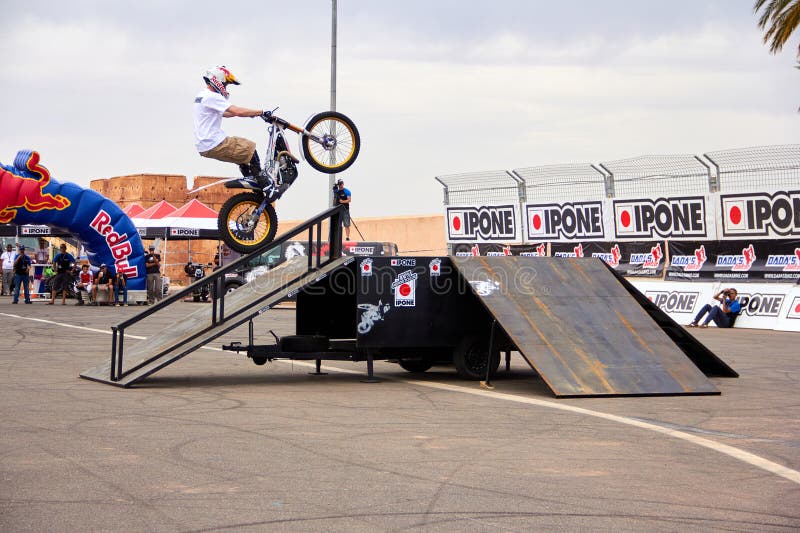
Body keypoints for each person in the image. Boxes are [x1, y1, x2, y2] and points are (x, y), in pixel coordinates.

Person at [193, 66, 277, 195]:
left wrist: (251, 114)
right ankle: (265, 186)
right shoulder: (212, 96)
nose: (226, 87)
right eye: (226, 83)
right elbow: (236, 111)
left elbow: (225, 113)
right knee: (250, 149)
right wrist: (261, 112)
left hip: (205, 145)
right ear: (218, 80)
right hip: (214, 143)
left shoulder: (202, 96)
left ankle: (254, 185)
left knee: (242, 154)